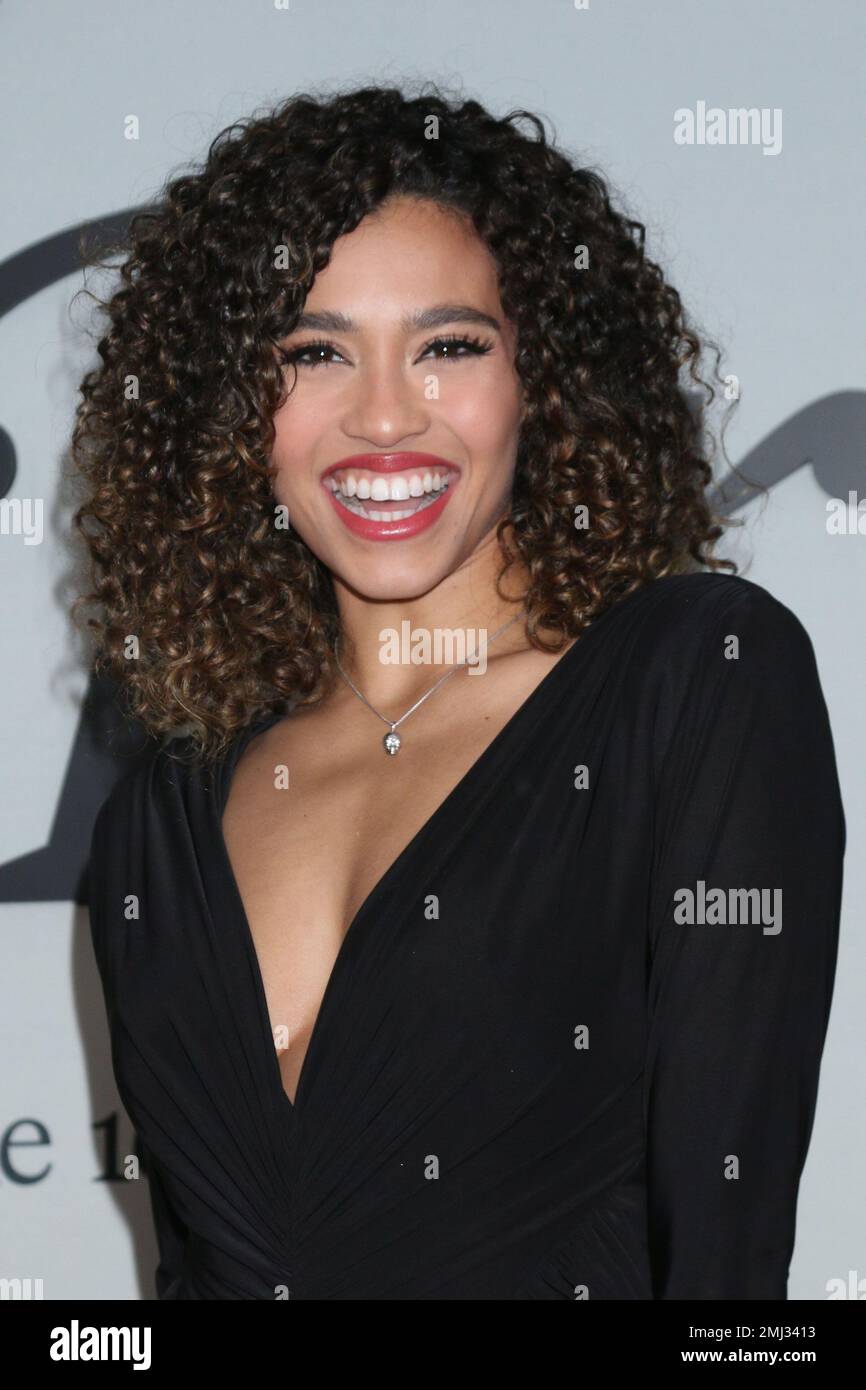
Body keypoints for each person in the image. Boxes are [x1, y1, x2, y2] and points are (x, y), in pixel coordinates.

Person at [74, 84, 845, 1300]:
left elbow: (727, 1269)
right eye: (313, 352)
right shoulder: (155, 832)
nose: (384, 416)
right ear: (234, 413)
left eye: (448, 346)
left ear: (542, 380)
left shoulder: (691, 681)